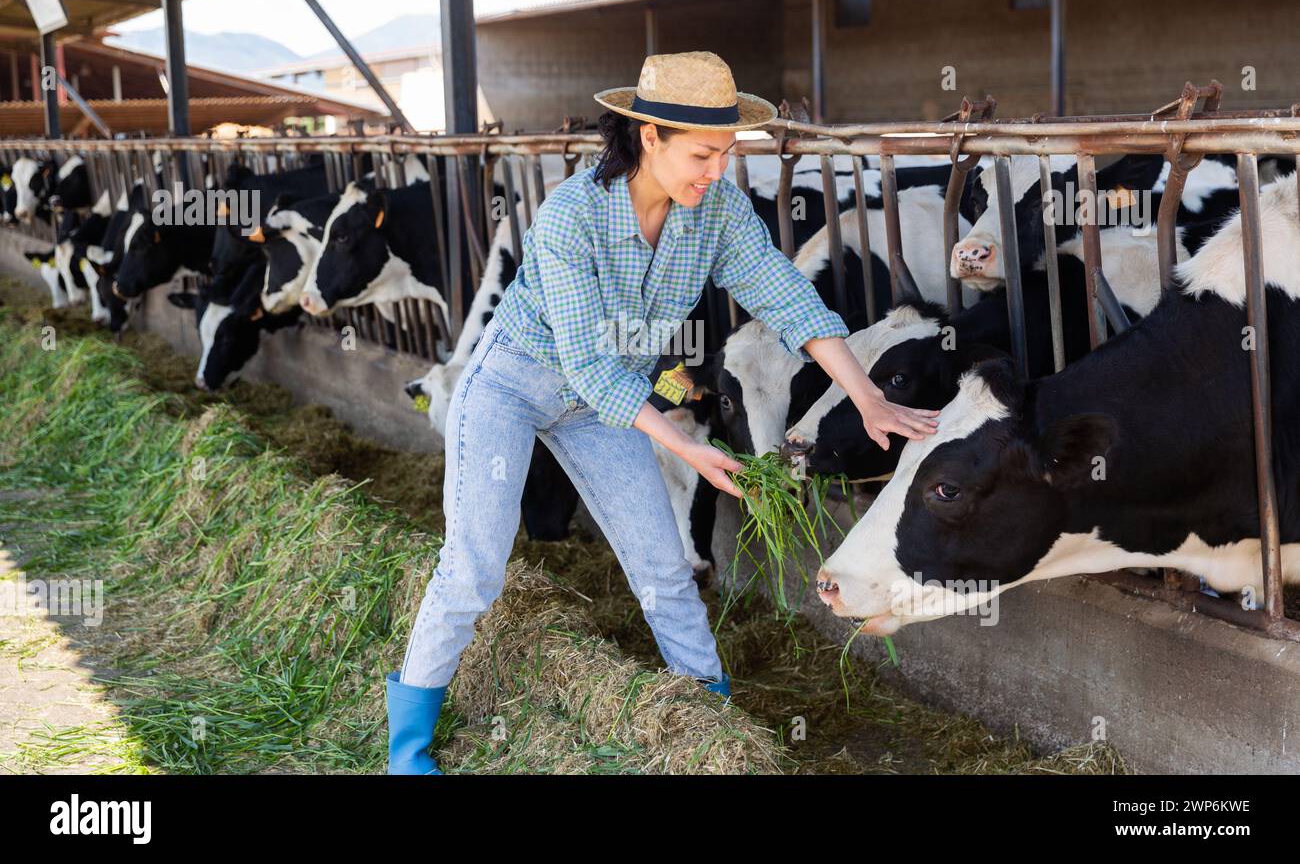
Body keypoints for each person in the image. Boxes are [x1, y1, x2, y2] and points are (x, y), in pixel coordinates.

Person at [384, 50, 939, 774]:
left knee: (664, 571)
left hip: (603, 407)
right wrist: (687, 448)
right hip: (514, 384)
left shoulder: (717, 211)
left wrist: (865, 394)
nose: (717, 171)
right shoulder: (571, 216)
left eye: (727, 154)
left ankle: (716, 738)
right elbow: (585, 361)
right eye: (703, 154)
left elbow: (786, 294)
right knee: (474, 571)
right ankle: (407, 754)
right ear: (650, 136)